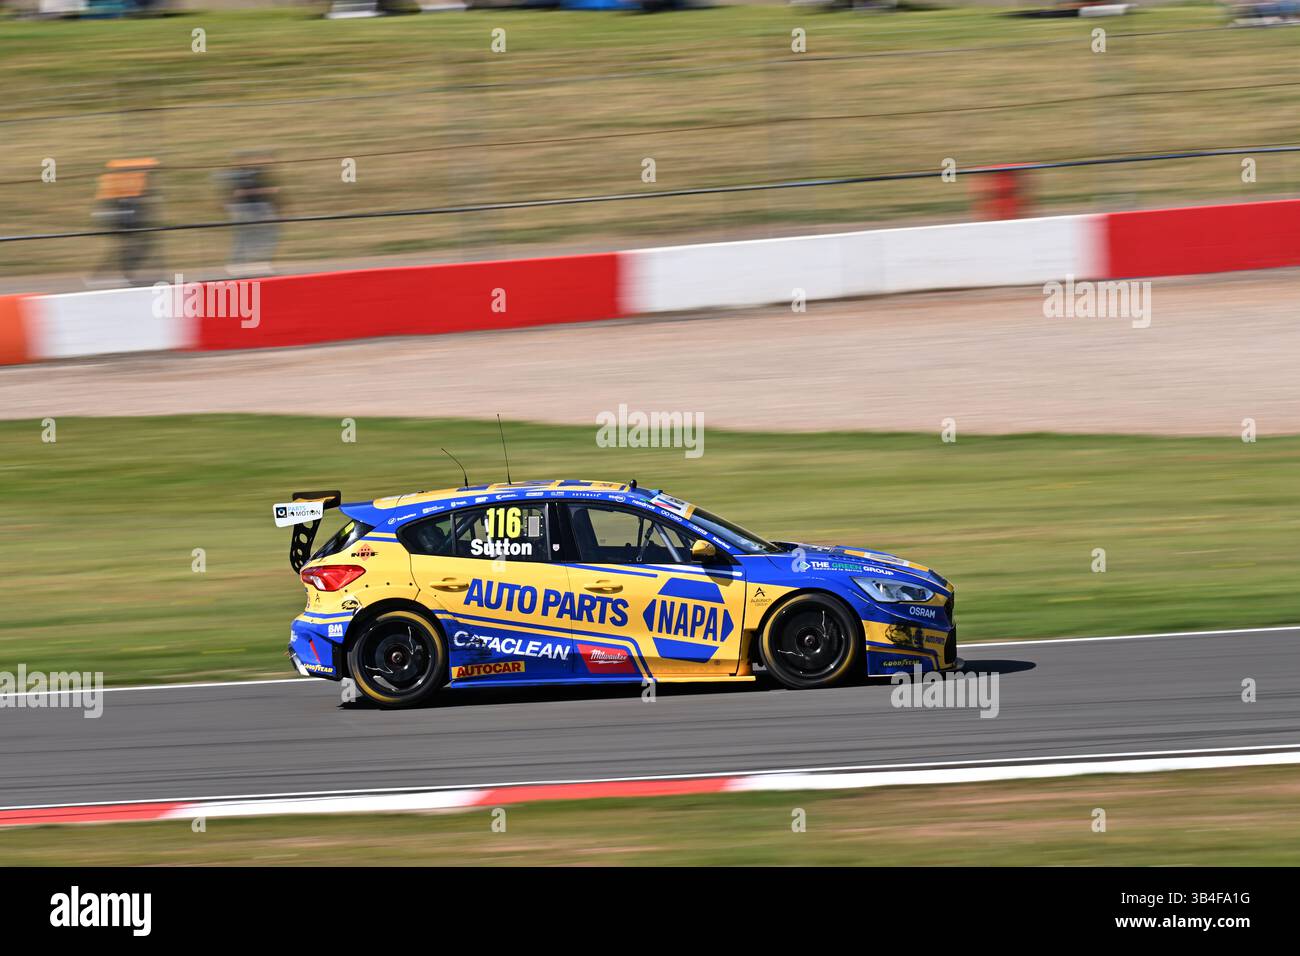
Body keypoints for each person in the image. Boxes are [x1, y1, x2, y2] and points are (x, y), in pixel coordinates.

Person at [92, 157, 160, 286]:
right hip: (121, 218)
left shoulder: (133, 180)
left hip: (126, 217)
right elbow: (122, 202)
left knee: (130, 247)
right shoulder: (129, 180)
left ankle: (117, 274)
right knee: (132, 246)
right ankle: (120, 275)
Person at [221, 151, 281, 276]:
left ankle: (256, 263)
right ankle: (237, 264)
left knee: (263, 235)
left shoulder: (252, 172)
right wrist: (268, 190)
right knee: (245, 237)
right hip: (245, 209)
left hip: (255, 209)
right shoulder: (239, 175)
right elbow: (239, 193)